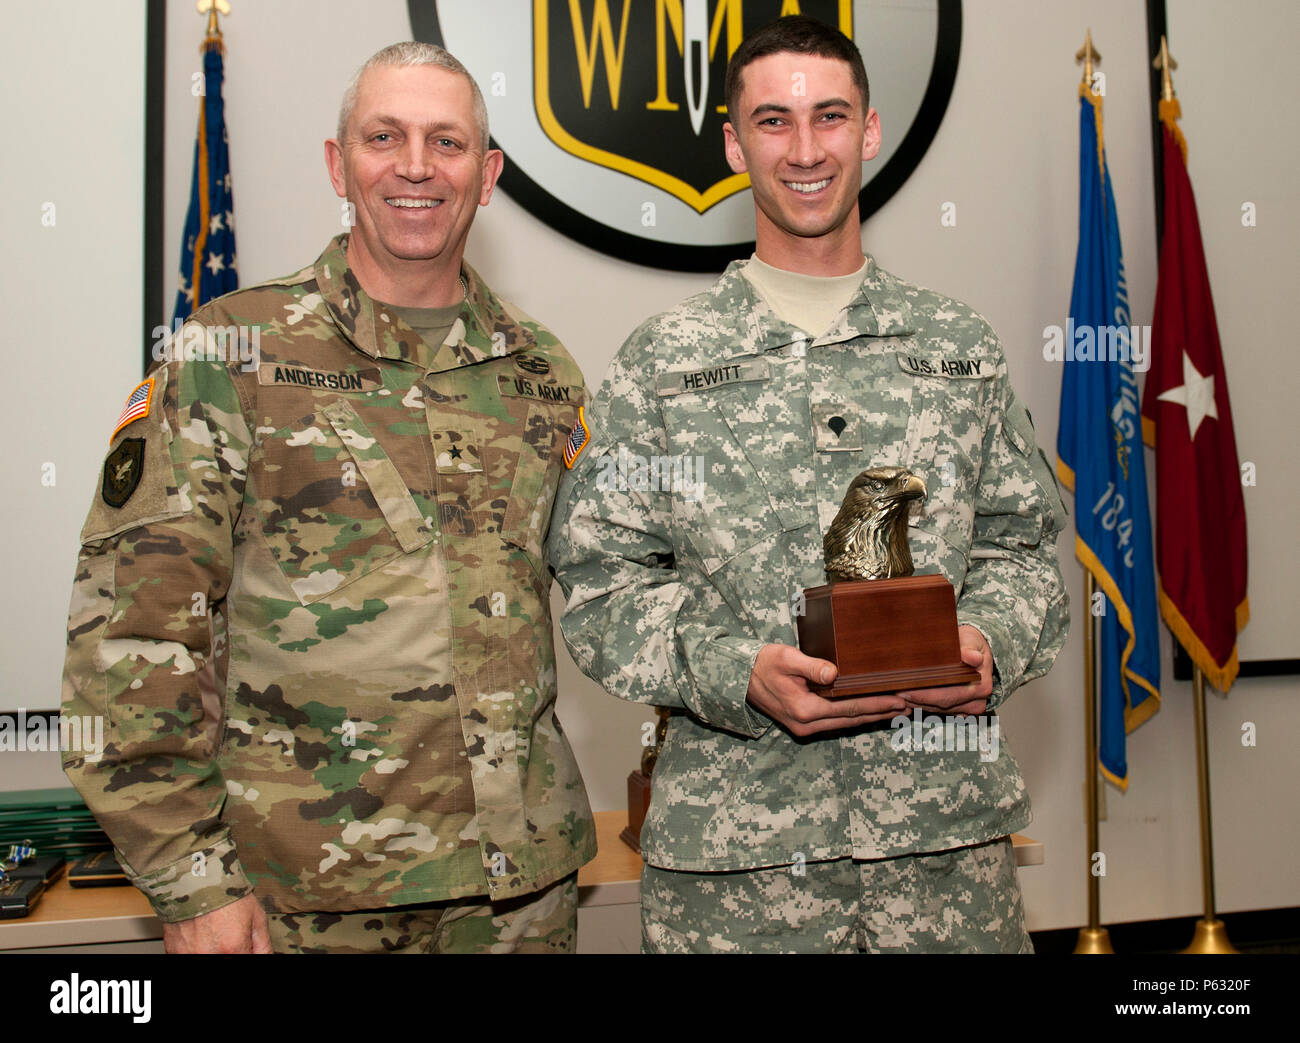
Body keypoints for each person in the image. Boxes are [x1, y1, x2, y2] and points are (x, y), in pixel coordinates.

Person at [547, 16, 1068, 953]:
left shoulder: (957, 348)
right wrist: (733, 670)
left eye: (829, 117)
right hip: (737, 871)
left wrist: (987, 639)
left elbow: (1022, 547)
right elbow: (598, 584)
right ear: (734, 143)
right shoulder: (662, 364)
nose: (805, 149)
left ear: (868, 131)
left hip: (942, 858)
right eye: (774, 121)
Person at [62, 42, 595, 954]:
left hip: (523, 900)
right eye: (384, 136)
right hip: (308, 905)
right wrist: (191, 882)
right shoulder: (231, 352)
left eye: (448, 142)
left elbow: (605, 581)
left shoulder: (541, 372)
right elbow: (133, 635)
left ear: (489, 173)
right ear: (337, 163)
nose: (417, 166)